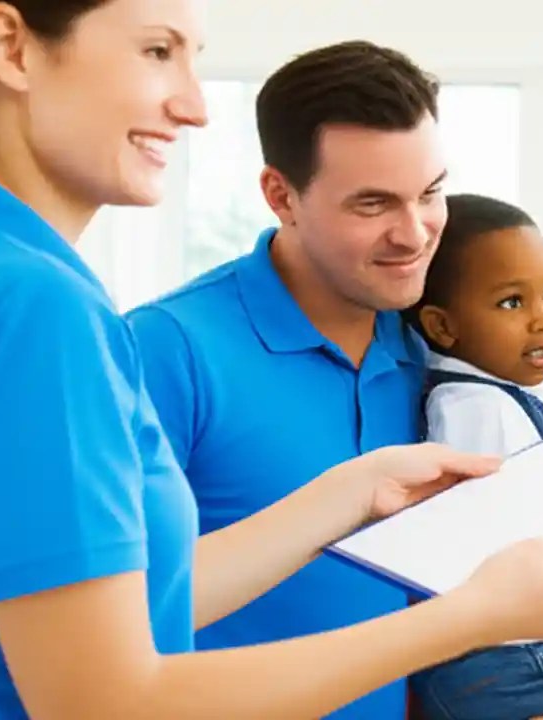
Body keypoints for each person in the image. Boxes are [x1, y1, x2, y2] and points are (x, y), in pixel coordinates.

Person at [0, 1, 543, 717]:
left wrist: (352, 493)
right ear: (12, 48)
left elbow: (143, 598)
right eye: (155, 51)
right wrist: (473, 617)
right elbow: (105, 699)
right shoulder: (37, 304)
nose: (196, 106)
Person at [124, 39, 453, 718]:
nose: (414, 232)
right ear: (282, 195)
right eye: (373, 205)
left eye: (430, 193)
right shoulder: (166, 349)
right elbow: (106, 619)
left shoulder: (436, 348)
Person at [404, 193, 543, 719]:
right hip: (520, 654)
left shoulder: (484, 397)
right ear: (442, 326)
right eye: (512, 302)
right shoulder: (476, 408)